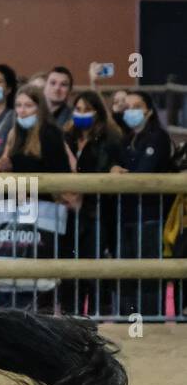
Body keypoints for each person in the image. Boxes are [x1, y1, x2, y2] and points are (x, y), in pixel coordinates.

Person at [0, 86, 72, 311]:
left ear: (39, 108)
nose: (22, 110)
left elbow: (60, 174)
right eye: (19, 105)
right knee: (7, 279)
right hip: (14, 213)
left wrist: (32, 189)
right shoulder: (15, 133)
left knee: (38, 283)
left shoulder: (50, 134)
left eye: (28, 105)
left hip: (42, 214)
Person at [111, 91, 174, 317]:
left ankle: (150, 321)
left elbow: (144, 173)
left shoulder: (158, 137)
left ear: (148, 110)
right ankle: (127, 320)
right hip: (126, 215)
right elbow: (117, 166)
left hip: (150, 216)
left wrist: (123, 173)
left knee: (148, 274)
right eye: (127, 107)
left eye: (137, 106)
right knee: (126, 272)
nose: (131, 111)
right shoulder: (126, 139)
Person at [62, 90, 123, 315]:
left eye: (87, 110)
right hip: (67, 213)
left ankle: (99, 318)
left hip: (95, 213)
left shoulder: (109, 139)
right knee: (68, 273)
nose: (82, 114)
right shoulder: (66, 136)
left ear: (98, 112)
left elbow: (106, 170)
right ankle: (70, 319)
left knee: (94, 271)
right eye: (78, 109)